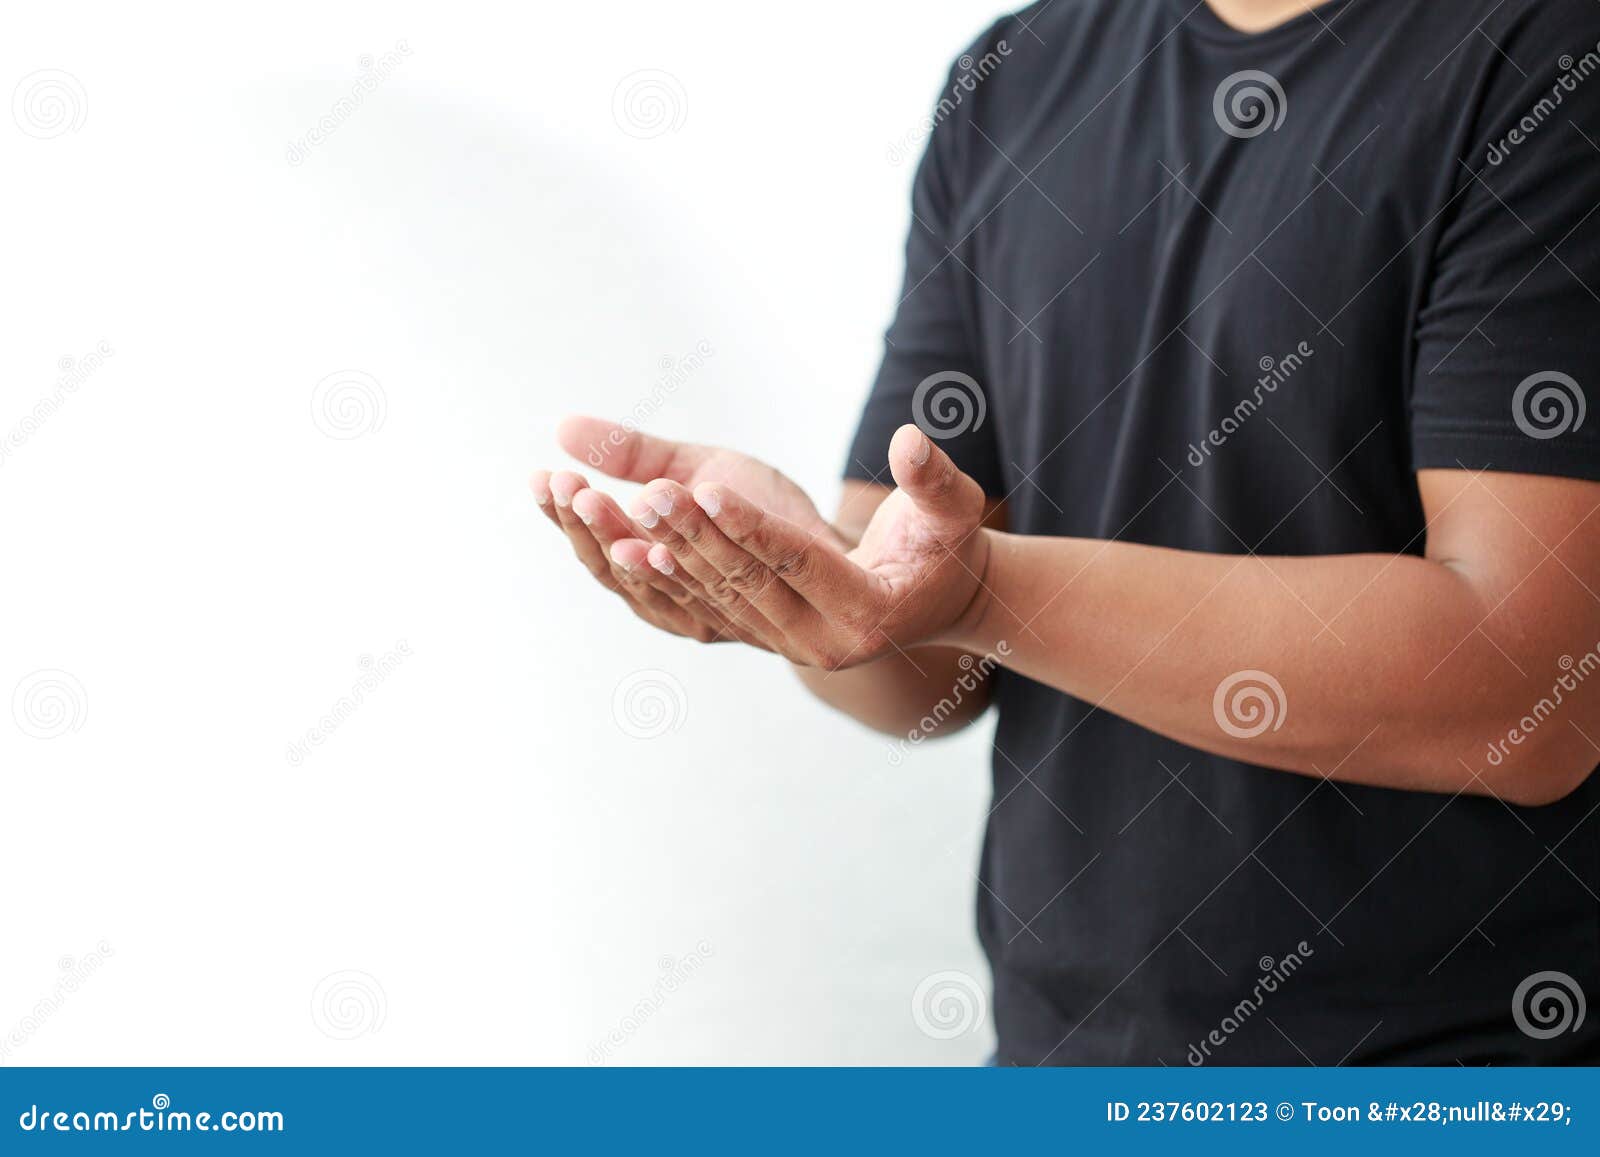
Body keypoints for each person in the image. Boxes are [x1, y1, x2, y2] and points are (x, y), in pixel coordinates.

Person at [533, 0, 1600, 1064]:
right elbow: (911, 674)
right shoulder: (1011, 77)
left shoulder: (1551, 60)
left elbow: (1526, 684)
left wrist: (983, 592)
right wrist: (801, 580)